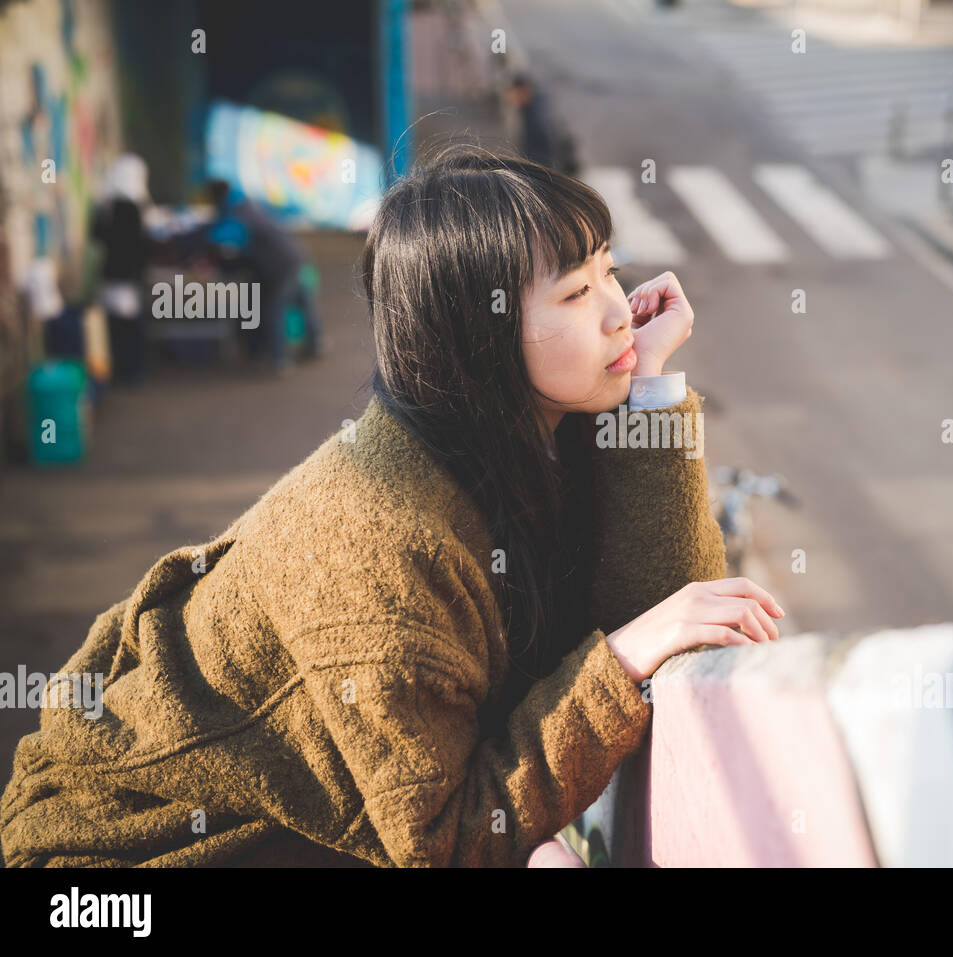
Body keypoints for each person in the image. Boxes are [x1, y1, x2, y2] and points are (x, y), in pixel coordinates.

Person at [0, 144, 784, 867]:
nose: (618, 311)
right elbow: (443, 843)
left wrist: (648, 389)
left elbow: (673, 612)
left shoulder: (538, 435)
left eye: (611, 271)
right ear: (480, 331)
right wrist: (615, 662)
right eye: (577, 292)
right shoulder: (384, 540)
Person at [205, 179, 321, 371]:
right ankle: (315, 344)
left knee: (273, 310)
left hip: (277, 264)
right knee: (301, 301)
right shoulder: (247, 204)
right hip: (293, 255)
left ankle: (279, 359)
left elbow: (220, 238)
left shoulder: (236, 213)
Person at [90, 154, 153, 385]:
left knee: (116, 328)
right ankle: (133, 372)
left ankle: (121, 372)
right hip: (130, 277)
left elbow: (96, 235)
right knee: (131, 327)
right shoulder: (137, 208)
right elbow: (144, 246)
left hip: (113, 275)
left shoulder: (110, 207)